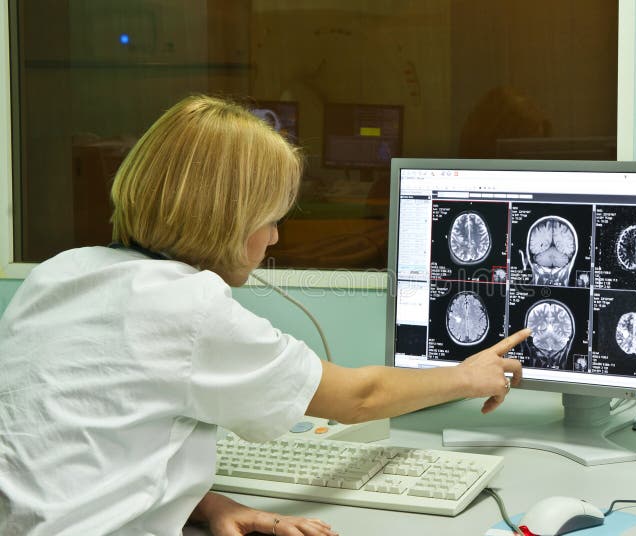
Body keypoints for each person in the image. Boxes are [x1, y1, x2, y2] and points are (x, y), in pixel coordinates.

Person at [0, 95, 527, 536]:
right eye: (271, 219)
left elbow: (78, 449)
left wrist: (204, 503)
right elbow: (358, 398)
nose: (274, 237)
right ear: (227, 219)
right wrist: (467, 376)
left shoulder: (58, 273)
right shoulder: (189, 306)